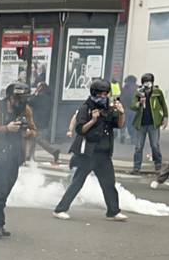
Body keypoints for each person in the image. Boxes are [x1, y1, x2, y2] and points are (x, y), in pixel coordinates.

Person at [53, 79, 127, 221]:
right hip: (88, 152)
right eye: (101, 94)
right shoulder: (86, 107)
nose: (104, 97)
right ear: (94, 93)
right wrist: (92, 120)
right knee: (78, 182)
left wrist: (122, 113)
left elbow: (119, 125)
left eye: (106, 94)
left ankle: (113, 211)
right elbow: (80, 129)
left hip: (104, 153)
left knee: (109, 183)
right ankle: (60, 209)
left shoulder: (108, 108)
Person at [0, 82, 37, 239]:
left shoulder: (26, 111)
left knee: (4, 192)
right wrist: (6, 128)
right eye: (19, 99)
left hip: (14, 157)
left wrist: (26, 133)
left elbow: (33, 130)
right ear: (10, 98)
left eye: (24, 99)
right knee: (1, 189)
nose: (22, 102)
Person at [129, 73, 168, 178]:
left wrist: (165, 118)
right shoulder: (139, 93)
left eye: (149, 81)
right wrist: (139, 103)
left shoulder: (157, 92)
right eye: (145, 82)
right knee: (138, 146)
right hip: (141, 124)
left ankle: (158, 165)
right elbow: (132, 106)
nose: (147, 84)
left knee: (155, 145)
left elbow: (164, 105)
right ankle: (136, 167)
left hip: (153, 124)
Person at [29, 82, 60, 162]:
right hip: (45, 121)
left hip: (37, 121)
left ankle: (54, 151)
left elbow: (30, 101)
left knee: (38, 139)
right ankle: (30, 155)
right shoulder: (49, 98)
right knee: (33, 138)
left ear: (40, 88)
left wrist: (35, 92)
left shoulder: (39, 97)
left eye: (38, 87)